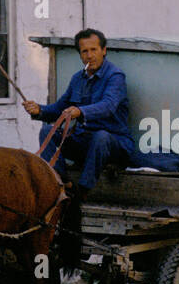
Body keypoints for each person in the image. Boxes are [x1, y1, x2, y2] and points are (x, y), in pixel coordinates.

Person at [23, 28, 136, 199]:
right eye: (85, 51)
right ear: (80, 55)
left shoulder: (115, 77)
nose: (90, 55)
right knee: (47, 131)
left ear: (104, 50)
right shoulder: (77, 79)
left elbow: (108, 106)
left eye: (94, 50)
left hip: (114, 145)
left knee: (101, 137)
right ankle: (62, 183)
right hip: (85, 143)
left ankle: (82, 191)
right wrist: (39, 110)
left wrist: (80, 111)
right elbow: (59, 108)